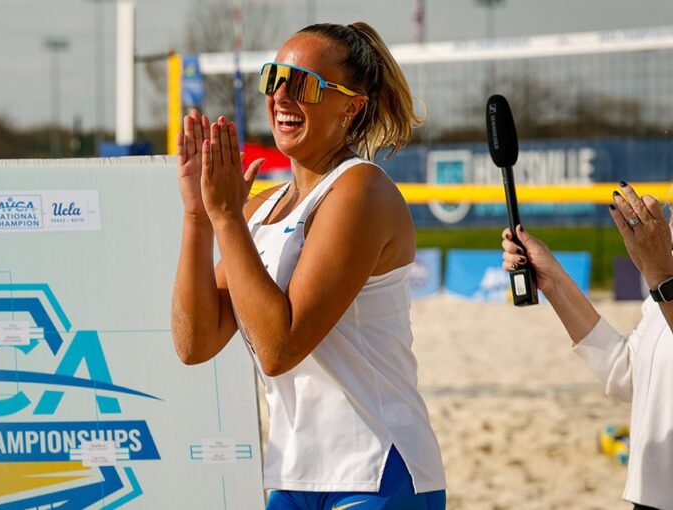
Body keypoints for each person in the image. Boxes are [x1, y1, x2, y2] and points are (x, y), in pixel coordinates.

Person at [171, 22, 446, 509]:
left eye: (300, 83)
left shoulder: (362, 190)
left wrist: (227, 217)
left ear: (351, 106)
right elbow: (195, 344)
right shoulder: (260, 208)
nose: (279, 95)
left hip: (379, 466)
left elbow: (279, 347)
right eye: (273, 77)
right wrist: (199, 217)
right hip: (296, 471)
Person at [500, 182, 673, 510]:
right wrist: (553, 282)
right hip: (652, 497)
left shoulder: (667, 270)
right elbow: (627, 373)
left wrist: (663, 278)